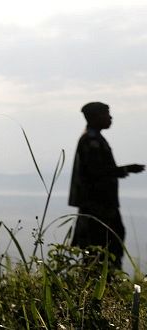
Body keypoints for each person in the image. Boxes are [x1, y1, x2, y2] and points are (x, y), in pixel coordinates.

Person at [68, 102, 144, 269]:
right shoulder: (91, 140)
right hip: (98, 206)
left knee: (106, 244)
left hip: (100, 205)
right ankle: (101, 285)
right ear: (95, 117)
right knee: (103, 246)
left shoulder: (93, 138)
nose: (110, 117)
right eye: (106, 114)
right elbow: (97, 171)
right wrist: (126, 169)